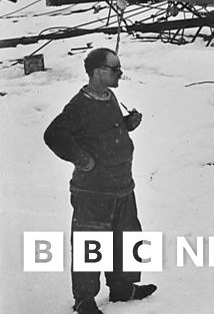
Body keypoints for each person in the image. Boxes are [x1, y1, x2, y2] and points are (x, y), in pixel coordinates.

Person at [44, 48, 157, 314]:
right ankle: (84, 299)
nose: (120, 72)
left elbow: (102, 130)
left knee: (126, 238)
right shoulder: (78, 105)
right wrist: (82, 159)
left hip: (122, 186)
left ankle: (121, 286)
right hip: (93, 191)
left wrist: (127, 124)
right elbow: (53, 135)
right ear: (98, 72)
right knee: (91, 242)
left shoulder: (109, 96)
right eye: (115, 68)